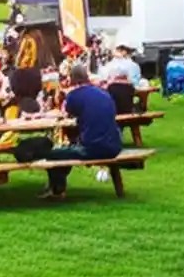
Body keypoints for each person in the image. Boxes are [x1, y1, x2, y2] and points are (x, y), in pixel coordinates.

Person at [39, 64, 123, 200]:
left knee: (54, 154)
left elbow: (66, 115)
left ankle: (57, 190)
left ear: (71, 79)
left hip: (94, 148)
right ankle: (58, 188)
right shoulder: (104, 93)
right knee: (67, 152)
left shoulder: (74, 96)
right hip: (115, 145)